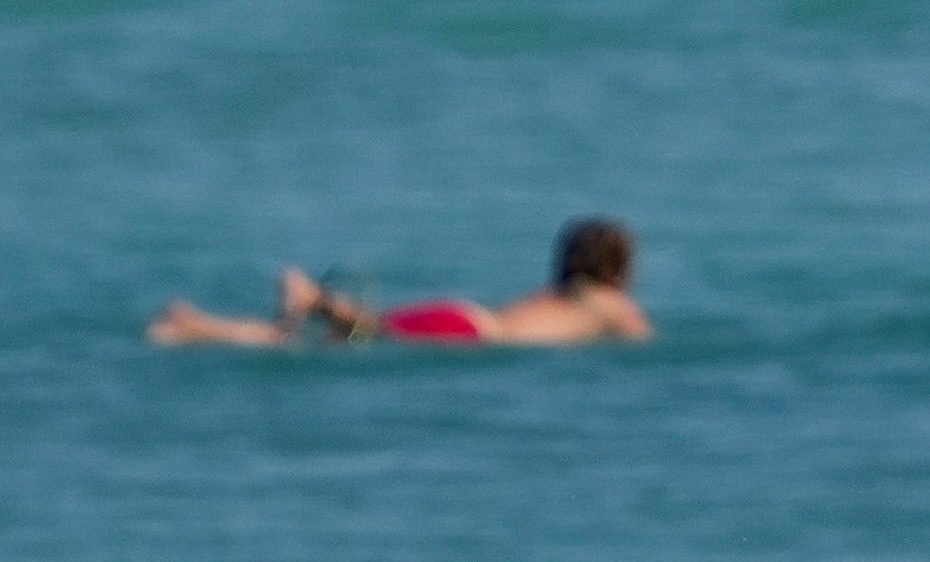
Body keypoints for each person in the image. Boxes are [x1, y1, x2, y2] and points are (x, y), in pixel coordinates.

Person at [149, 217, 651, 348]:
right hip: (470, 334)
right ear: (617, 270)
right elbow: (642, 344)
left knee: (334, 339)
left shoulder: (563, 295)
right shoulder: (609, 302)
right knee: (360, 332)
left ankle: (195, 325)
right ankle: (314, 297)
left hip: (462, 316)